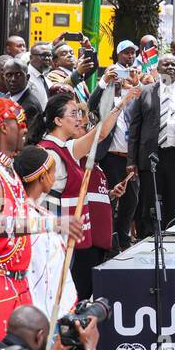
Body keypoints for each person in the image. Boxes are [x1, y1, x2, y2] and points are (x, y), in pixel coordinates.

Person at [0, 97, 81, 350]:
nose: (26, 128)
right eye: (19, 122)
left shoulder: (10, 173)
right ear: (3, 126)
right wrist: (49, 223)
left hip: (18, 286)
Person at [35, 90, 134, 299]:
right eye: (73, 114)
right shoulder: (47, 152)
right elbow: (102, 133)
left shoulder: (67, 148)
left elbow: (100, 134)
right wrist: (120, 105)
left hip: (73, 234)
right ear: (58, 120)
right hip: (59, 237)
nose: (78, 119)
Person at [89, 42, 143, 253]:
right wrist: (103, 81)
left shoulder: (137, 95)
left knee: (132, 200)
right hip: (110, 157)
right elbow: (91, 105)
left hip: (131, 159)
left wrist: (139, 85)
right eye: (125, 53)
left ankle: (123, 241)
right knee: (109, 201)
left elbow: (149, 110)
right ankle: (109, 243)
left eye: (133, 54)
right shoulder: (108, 95)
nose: (122, 77)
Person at [12, 146, 76, 323]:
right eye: (53, 172)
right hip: (35, 312)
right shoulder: (25, 218)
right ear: (42, 176)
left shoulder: (43, 215)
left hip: (51, 310)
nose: (55, 178)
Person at [126, 53, 175, 240]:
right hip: (151, 155)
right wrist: (131, 160)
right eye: (166, 64)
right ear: (158, 69)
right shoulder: (146, 92)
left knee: (174, 201)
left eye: (174, 64)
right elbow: (134, 128)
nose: (170, 67)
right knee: (148, 200)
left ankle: (172, 235)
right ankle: (146, 238)